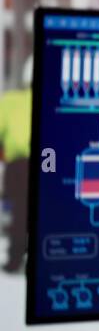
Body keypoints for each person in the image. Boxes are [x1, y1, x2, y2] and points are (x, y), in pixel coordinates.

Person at [0, 57, 32, 273]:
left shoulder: (10, 101)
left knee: (19, 214)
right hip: (50, 162)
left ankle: (14, 260)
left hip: (18, 165)